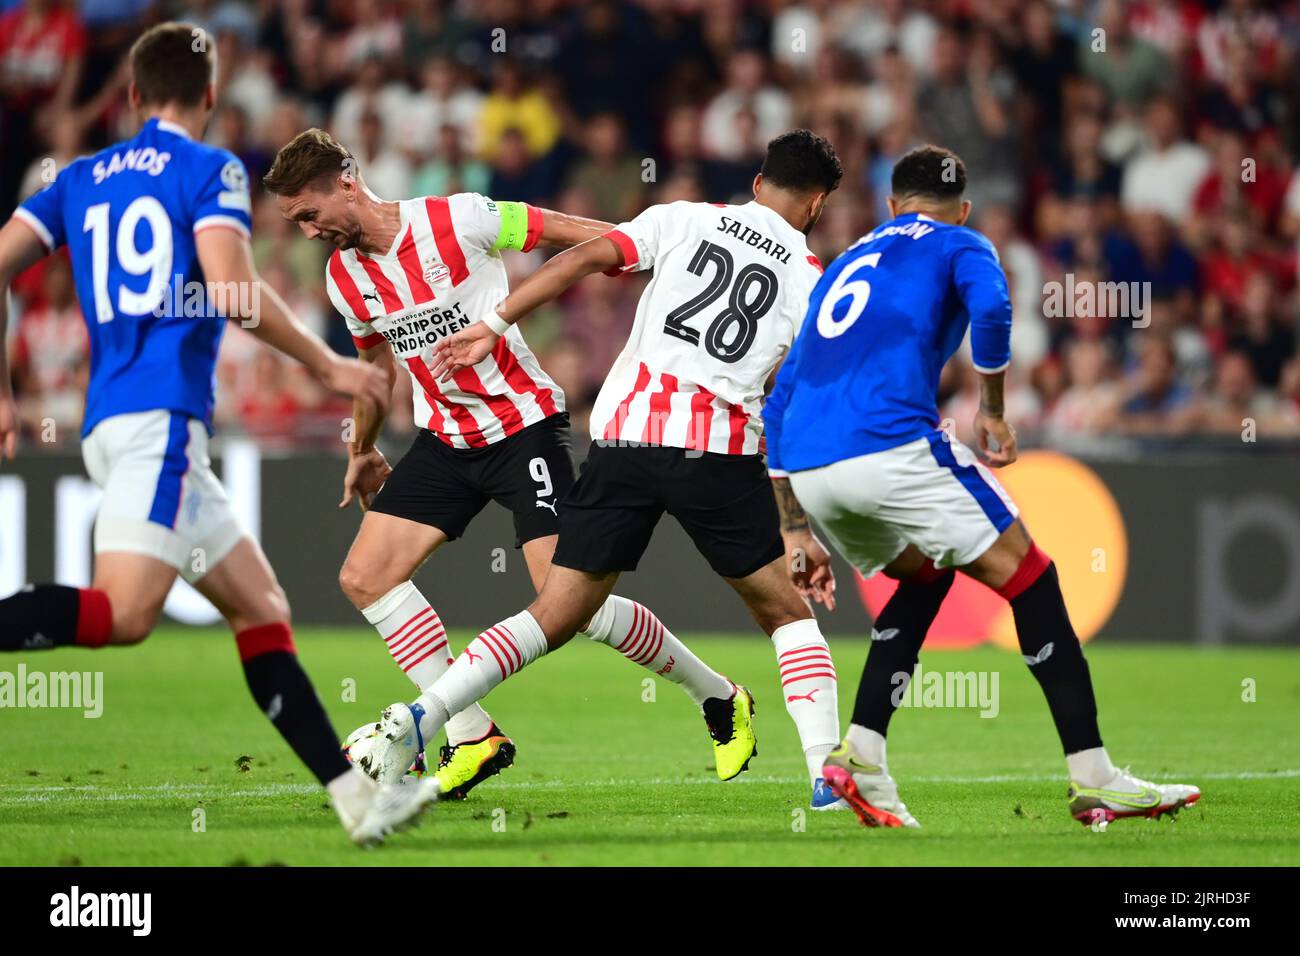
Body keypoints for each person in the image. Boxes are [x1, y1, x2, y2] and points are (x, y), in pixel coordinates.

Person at [0, 22, 434, 845]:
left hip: (118, 419)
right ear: (209, 94)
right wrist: (328, 366)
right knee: (125, 616)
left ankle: (357, 800)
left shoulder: (80, 176)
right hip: (158, 419)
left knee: (260, 606)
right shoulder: (209, 169)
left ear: (130, 95)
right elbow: (234, 291)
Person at [363, 130, 850, 810]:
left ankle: (427, 714)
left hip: (623, 438)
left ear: (760, 181)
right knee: (787, 614)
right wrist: (795, 529)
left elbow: (587, 257)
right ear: (819, 202)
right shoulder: (814, 280)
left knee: (555, 611)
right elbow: (793, 407)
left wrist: (495, 323)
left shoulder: (687, 215)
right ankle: (827, 774)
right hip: (717, 448)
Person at [263, 128, 753, 795]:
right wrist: (361, 447)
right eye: (297, 224)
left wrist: (650, 250)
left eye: (309, 215)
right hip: (445, 441)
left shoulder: (458, 218)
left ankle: (720, 698)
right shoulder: (345, 278)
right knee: (366, 576)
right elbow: (376, 368)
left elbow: (565, 230)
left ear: (344, 182)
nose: (309, 232)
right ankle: (470, 733)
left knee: (569, 605)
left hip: (524, 428)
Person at [764, 144, 1200, 828]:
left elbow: (777, 396)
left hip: (811, 470)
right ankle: (1094, 777)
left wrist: (794, 525)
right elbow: (993, 312)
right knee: (1031, 577)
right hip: (892, 448)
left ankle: (864, 758)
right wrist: (992, 410)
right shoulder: (961, 243)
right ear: (962, 209)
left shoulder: (847, 261)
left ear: (890, 205)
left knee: (925, 576)